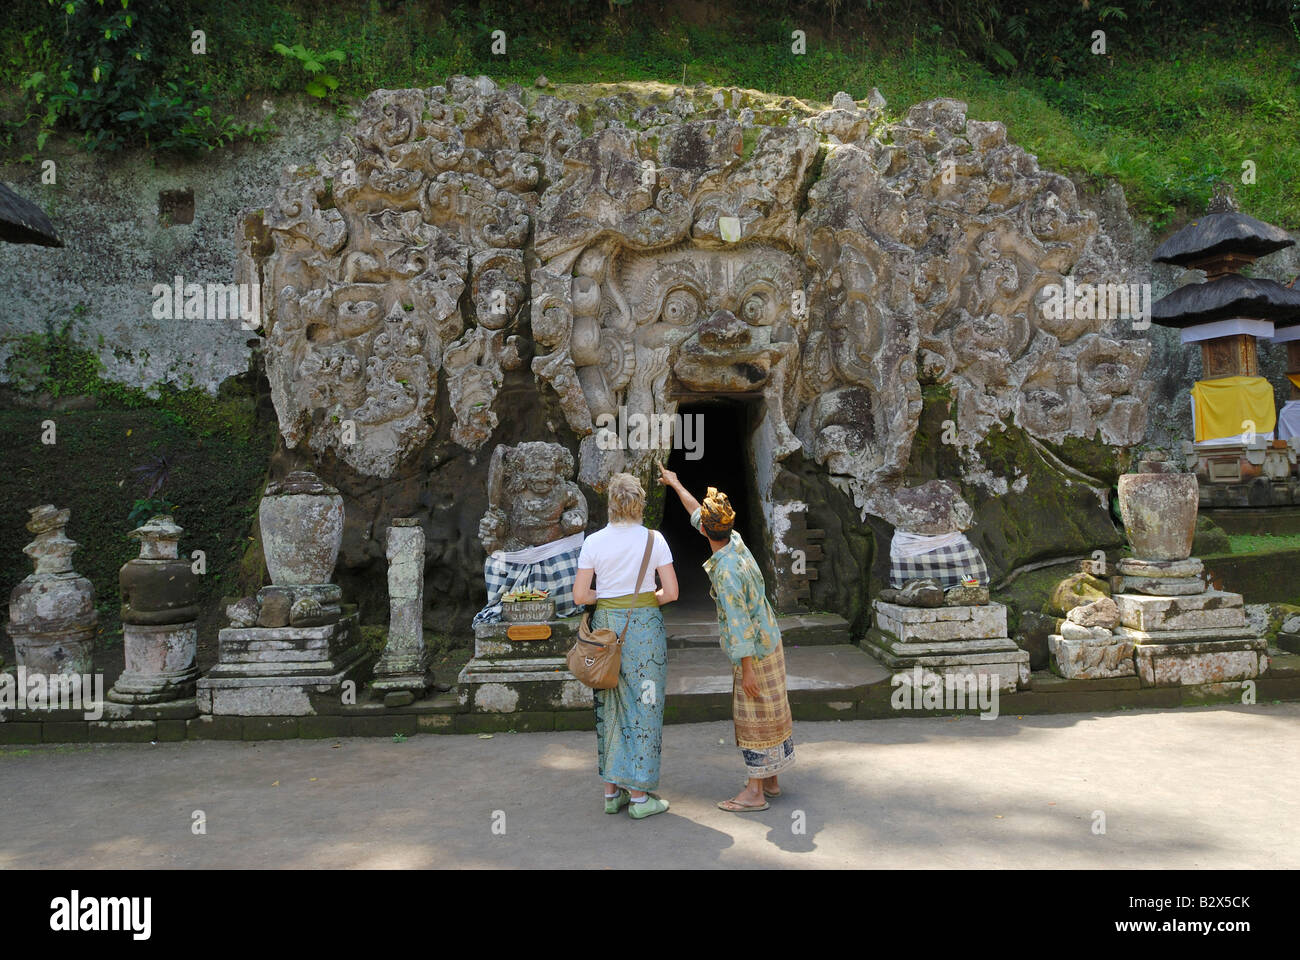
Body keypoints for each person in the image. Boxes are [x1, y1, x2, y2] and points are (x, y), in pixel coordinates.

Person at [658, 464, 794, 813]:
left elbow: (739, 626)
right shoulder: (734, 540)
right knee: (773, 710)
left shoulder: (726, 571)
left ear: (705, 530)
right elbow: (697, 514)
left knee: (753, 717)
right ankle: (772, 779)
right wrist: (674, 483)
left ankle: (754, 792)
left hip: (755, 652)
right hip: (772, 640)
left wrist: (746, 670)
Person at [572, 472, 679, 819]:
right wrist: (643, 600)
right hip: (644, 628)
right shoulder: (654, 540)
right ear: (639, 504)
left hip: (604, 630)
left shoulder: (594, 542)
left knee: (610, 702)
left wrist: (610, 597)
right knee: (645, 705)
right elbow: (672, 593)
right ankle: (639, 797)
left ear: (612, 505)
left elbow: (580, 596)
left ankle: (610, 792)